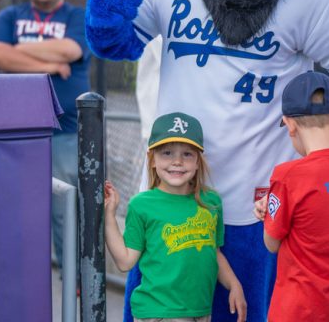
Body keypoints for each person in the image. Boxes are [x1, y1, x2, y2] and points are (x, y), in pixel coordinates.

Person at [0, 0, 90, 272]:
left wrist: (18, 49)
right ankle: (2, 274)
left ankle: (75, 281)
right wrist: (48, 65)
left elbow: (70, 49)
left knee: (65, 208)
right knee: (11, 206)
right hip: (14, 129)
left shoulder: (76, 16)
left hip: (65, 130)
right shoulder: (10, 15)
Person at [105, 112, 247, 322]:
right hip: (157, 312)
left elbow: (213, 252)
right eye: (167, 153)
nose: (177, 161)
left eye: (187, 154)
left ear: (199, 161)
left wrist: (234, 284)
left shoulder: (211, 202)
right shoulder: (142, 204)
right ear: (152, 160)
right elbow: (125, 261)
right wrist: (109, 215)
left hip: (200, 312)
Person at [254, 71, 329, 322]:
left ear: (290, 125)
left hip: (304, 307)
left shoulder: (288, 176)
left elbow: (271, 243)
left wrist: (271, 213)